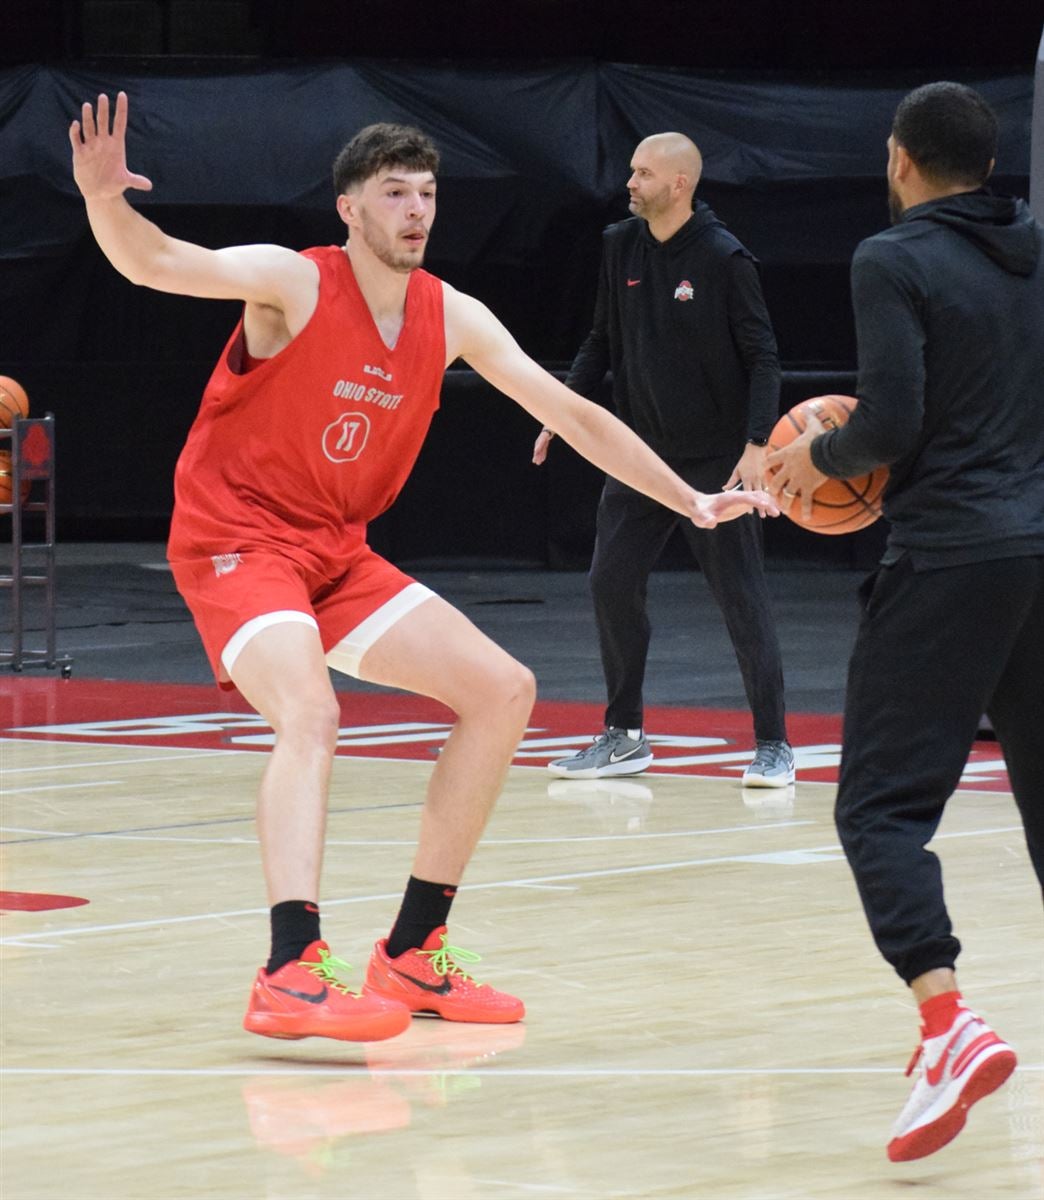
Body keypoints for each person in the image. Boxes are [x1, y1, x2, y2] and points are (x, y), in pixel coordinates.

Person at [69, 92, 778, 1043]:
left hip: (335, 549)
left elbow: (573, 415)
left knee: (502, 691)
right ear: (350, 209)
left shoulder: (451, 315)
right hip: (237, 537)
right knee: (311, 710)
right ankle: (288, 967)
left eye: (428, 194)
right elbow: (158, 263)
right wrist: (104, 201)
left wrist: (688, 500)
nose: (416, 210)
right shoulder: (295, 282)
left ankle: (411, 951)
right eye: (395, 193)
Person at [767, 82, 1043, 1162]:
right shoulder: (1036, 248)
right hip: (1038, 550)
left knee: (877, 811)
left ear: (898, 161)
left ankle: (947, 1023)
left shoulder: (891, 259)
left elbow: (890, 420)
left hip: (953, 555)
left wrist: (814, 459)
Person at [536, 133, 792, 787]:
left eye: (643, 173)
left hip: (715, 462)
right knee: (609, 582)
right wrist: (561, 411)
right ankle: (624, 736)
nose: (629, 182)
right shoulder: (618, 244)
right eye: (630, 170)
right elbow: (599, 338)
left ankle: (774, 745)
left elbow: (764, 356)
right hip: (640, 458)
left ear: (679, 184)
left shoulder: (724, 257)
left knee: (741, 599)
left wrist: (757, 446)